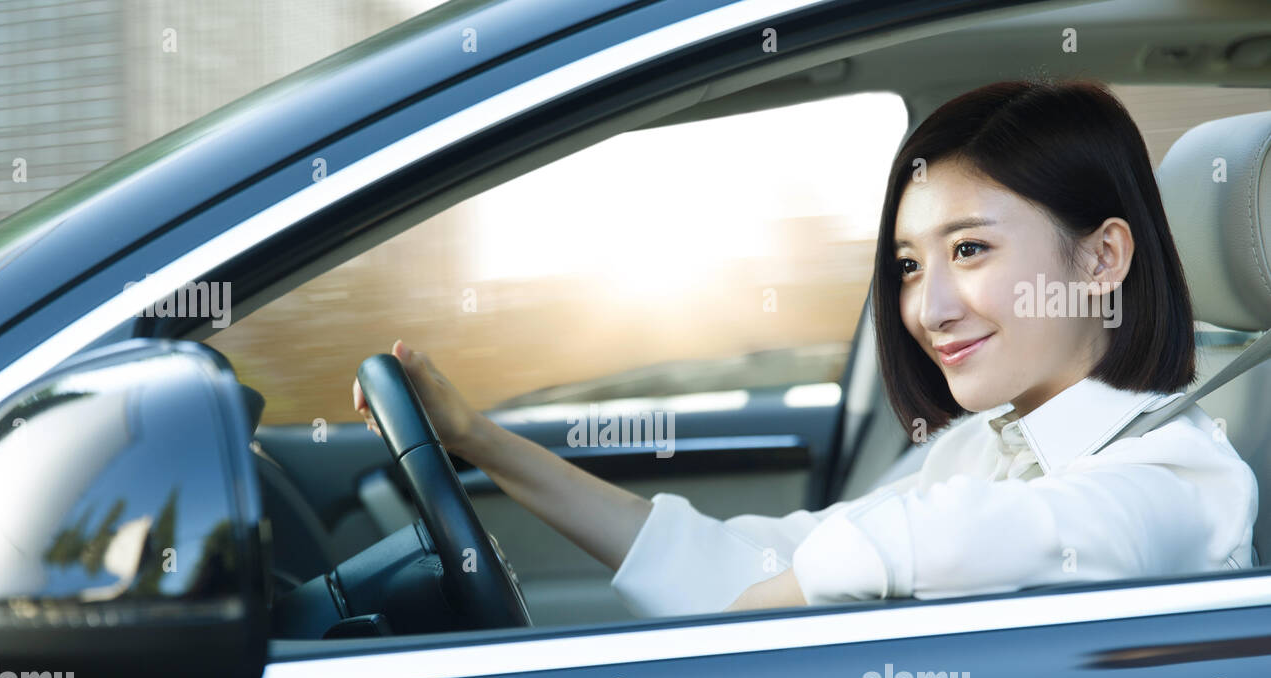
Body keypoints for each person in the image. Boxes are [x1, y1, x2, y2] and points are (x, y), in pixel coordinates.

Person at [352, 79, 1257, 619]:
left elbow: (955, 541)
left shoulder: (1185, 481)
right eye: (908, 263)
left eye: (970, 249)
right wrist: (476, 440)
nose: (927, 308)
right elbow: (738, 553)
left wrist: (740, 641)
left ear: (1101, 258)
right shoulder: (981, 447)